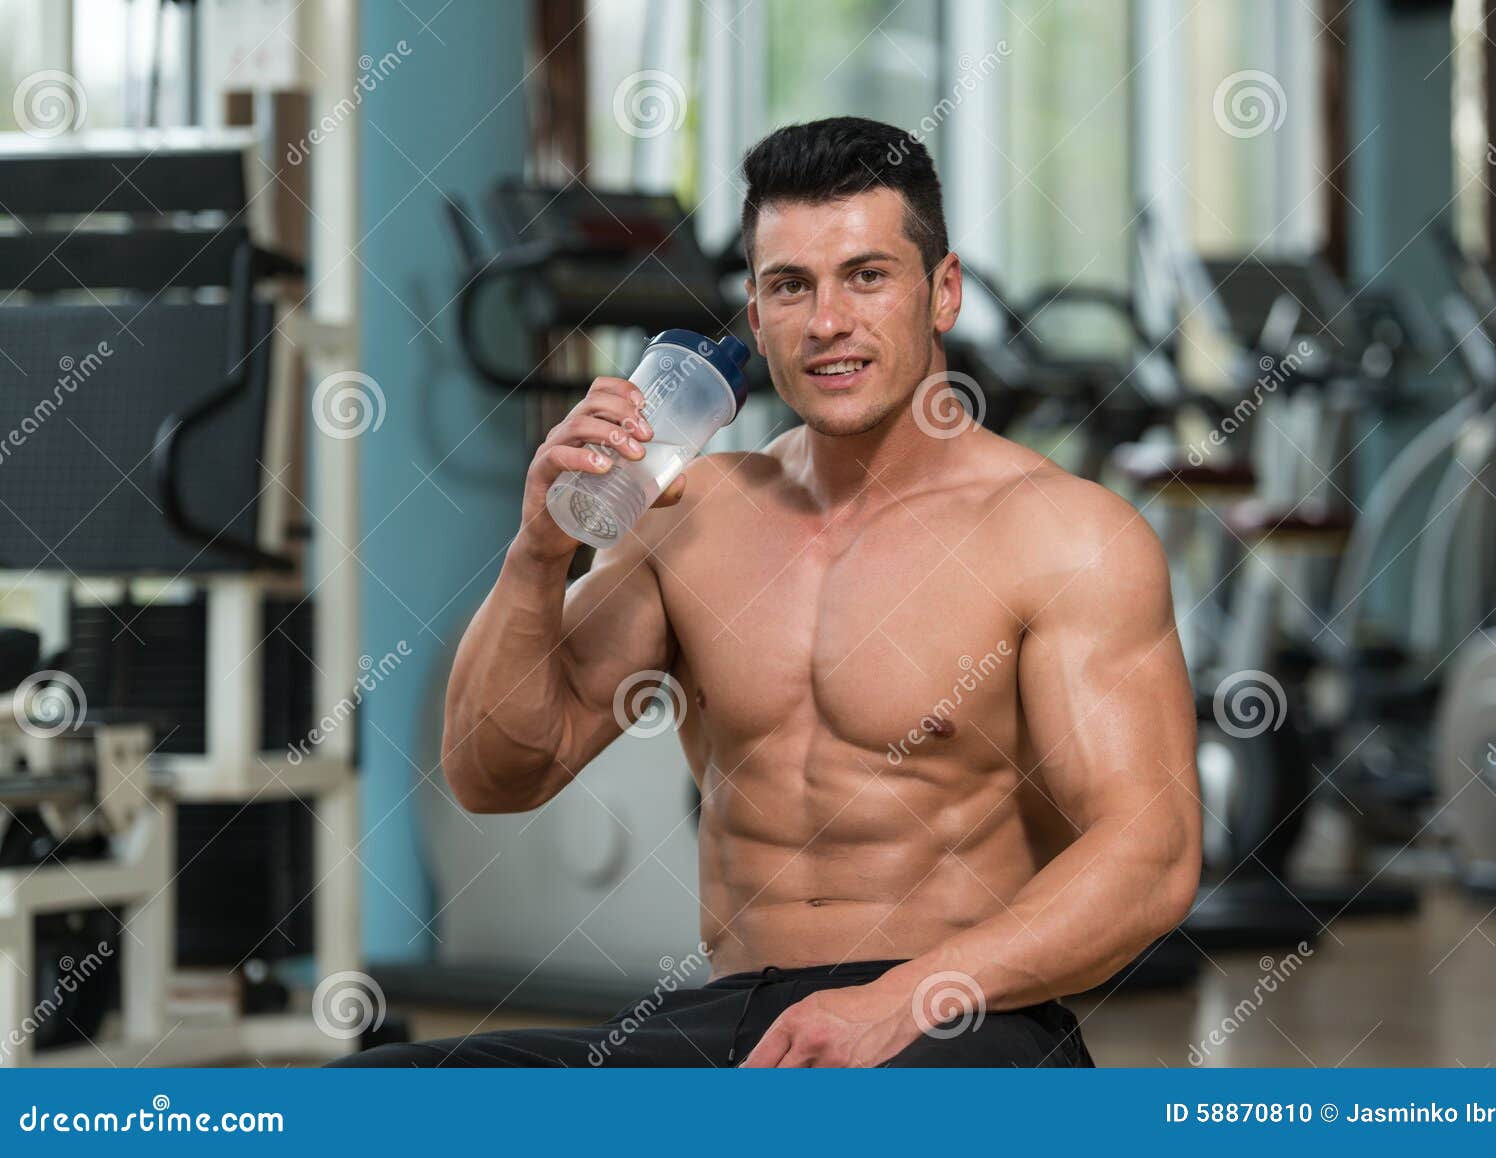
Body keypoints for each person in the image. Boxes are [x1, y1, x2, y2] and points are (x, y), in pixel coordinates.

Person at [332, 115, 1200, 1069]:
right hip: (741, 1019)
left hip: (963, 1019)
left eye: (867, 276)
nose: (827, 322)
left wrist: (901, 999)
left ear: (941, 292)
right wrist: (540, 551)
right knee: (373, 1096)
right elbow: (494, 775)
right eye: (792, 286)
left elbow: (1148, 859)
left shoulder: (1066, 534)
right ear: (755, 315)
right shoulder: (692, 513)